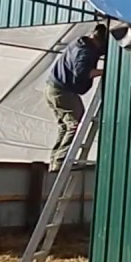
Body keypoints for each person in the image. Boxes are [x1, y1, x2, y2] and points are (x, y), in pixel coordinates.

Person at [44, 23, 108, 172]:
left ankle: (55, 161)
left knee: (65, 126)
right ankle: (61, 161)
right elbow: (82, 73)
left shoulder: (79, 43)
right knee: (75, 124)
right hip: (63, 91)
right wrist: (104, 71)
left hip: (52, 88)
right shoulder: (86, 51)